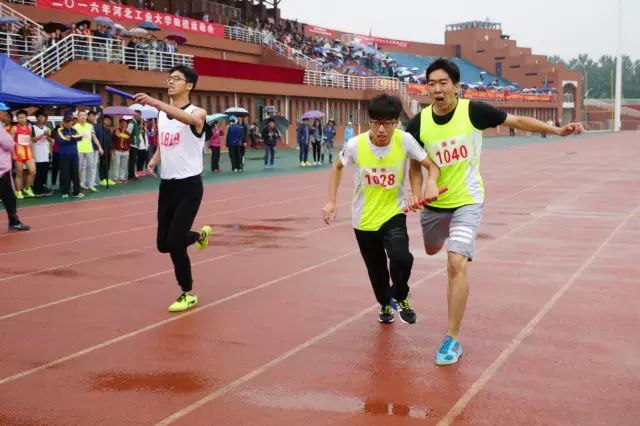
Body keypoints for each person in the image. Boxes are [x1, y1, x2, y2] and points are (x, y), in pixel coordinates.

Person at [406, 58, 584, 366]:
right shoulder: (419, 123)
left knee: (456, 263)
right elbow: (413, 161)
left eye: (443, 83)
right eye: (431, 83)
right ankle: (442, 249)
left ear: (456, 87)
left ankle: (452, 338)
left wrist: (556, 131)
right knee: (434, 250)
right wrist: (418, 191)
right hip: (434, 206)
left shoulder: (473, 111)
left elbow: (516, 121)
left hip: (467, 201)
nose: (436, 89)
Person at [322, 94, 442, 325]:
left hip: (393, 214)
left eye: (388, 123)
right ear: (369, 122)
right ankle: (385, 305)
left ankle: (401, 295)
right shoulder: (355, 145)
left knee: (402, 258)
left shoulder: (405, 140)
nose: (381, 129)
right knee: (377, 276)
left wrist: (429, 183)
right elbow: (337, 167)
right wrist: (332, 201)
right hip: (363, 221)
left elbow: (430, 166)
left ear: (396, 122)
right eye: (376, 122)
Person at [134, 65, 212, 313]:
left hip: (189, 187)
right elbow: (164, 141)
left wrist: (157, 103)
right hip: (167, 187)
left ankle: (187, 292)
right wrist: (155, 158)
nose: (170, 83)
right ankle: (199, 236)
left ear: (189, 85)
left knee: (176, 241)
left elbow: (189, 120)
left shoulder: (198, 112)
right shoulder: (161, 115)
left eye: (176, 79)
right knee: (163, 245)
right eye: (169, 79)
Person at [0, 103, 30, 231]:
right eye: (4, 111)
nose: (7, 114)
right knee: (9, 196)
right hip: (2, 168)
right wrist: (12, 142)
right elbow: (8, 144)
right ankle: (14, 221)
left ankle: (14, 221)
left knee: (9, 196)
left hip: (3, 168)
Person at [55, 112, 85, 199]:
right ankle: (65, 192)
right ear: (63, 122)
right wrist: (73, 138)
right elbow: (62, 140)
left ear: (72, 122)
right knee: (65, 174)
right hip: (64, 156)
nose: (68, 123)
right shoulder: (59, 130)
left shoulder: (74, 130)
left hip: (75, 156)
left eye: (70, 121)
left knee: (75, 174)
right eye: (66, 121)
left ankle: (76, 192)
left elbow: (80, 137)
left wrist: (70, 138)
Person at [9, 110, 36, 199]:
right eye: (19, 118)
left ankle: (27, 188)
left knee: (33, 171)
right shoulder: (15, 128)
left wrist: (32, 153)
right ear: (17, 118)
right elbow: (10, 142)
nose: (21, 119)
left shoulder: (29, 127)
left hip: (28, 153)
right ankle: (18, 191)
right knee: (19, 174)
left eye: (22, 117)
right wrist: (13, 154)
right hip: (19, 154)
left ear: (26, 118)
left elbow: (30, 141)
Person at [31, 110, 53, 196]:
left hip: (45, 153)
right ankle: (36, 189)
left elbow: (51, 140)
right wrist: (42, 135)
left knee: (44, 171)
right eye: (39, 116)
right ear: (36, 118)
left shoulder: (47, 129)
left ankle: (43, 187)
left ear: (45, 118)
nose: (41, 118)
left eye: (43, 117)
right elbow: (32, 140)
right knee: (38, 172)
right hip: (36, 153)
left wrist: (47, 136)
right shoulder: (33, 128)